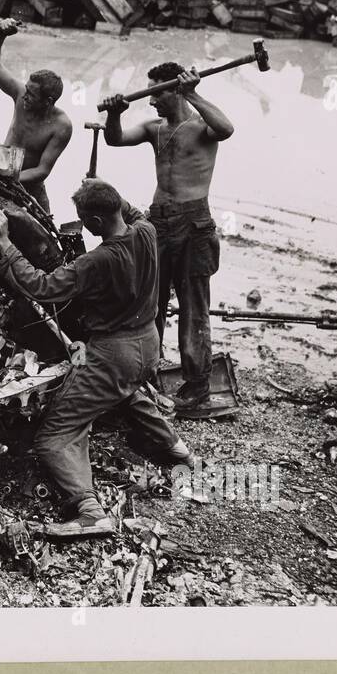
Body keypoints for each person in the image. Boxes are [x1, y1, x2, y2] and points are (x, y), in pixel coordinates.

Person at [0, 179, 199, 538]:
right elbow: (122, 205)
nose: (82, 224)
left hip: (114, 354)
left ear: (95, 223)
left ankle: (89, 510)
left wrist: (5, 242)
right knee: (125, 392)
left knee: (55, 435)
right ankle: (179, 452)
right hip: (149, 344)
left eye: (84, 219)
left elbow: (42, 286)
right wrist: (96, 189)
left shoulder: (97, 261)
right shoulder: (145, 230)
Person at [103, 62, 235, 419]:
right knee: (149, 303)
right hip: (158, 223)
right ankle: (147, 375)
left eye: (156, 93)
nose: (151, 100)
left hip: (194, 224)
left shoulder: (201, 126)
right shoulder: (154, 128)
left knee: (194, 308)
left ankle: (196, 388)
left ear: (174, 90)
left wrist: (193, 93)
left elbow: (227, 128)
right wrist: (115, 114)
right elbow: (114, 139)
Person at [0, 19, 73, 214]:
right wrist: (0, 34)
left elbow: (42, 170)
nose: (25, 96)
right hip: (1, 175)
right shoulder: (21, 93)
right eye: (27, 90)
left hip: (29, 190)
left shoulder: (61, 126)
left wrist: (8, 179)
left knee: (40, 239)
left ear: (48, 101)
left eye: (32, 95)